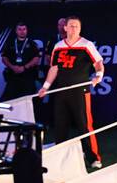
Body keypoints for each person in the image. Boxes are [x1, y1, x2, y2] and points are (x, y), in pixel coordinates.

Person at [37, 16, 105, 169]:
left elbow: (98, 63)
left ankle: (93, 158)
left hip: (80, 91)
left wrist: (98, 76)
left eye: (77, 26)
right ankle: (60, 160)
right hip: (61, 92)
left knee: (84, 125)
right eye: (71, 26)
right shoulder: (58, 46)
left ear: (80, 29)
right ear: (65, 28)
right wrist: (46, 86)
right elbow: (54, 68)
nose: (74, 29)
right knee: (60, 126)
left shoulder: (86, 45)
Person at [1, 22, 42, 100]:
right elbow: (4, 58)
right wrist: (12, 67)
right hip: (13, 77)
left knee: (28, 100)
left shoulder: (32, 44)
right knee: (11, 100)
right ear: (16, 31)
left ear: (27, 30)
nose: (22, 31)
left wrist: (24, 67)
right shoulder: (10, 43)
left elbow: (36, 58)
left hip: (28, 77)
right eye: (19, 29)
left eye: (24, 29)